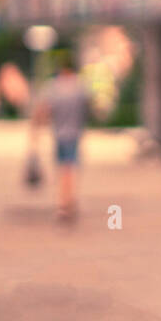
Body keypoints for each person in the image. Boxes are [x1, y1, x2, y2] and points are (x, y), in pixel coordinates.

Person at [30, 50, 90, 222]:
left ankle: (63, 204)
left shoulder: (53, 86)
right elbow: (89, 107)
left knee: (62, 169)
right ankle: (68, 201)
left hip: (59, 134)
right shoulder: (80, 86)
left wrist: (36, 132)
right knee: (70, 169)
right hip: (75, 134)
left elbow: (43, 110)